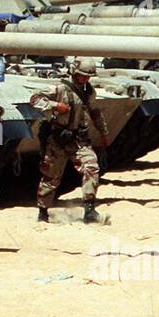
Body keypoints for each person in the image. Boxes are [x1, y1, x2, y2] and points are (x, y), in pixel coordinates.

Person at [30, 58, 111, 224]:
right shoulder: (59, 88)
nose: (86, 79)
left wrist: (103, 132)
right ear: (74, 72)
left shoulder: (88, 92)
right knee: (51, 177)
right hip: (58, 139)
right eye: (83, 75)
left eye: (88, 76)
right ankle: (43, 212)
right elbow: (34, 99)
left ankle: (89, 210)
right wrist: (55, 105)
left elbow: (95, 112)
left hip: (79, 139)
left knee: (91, 168)